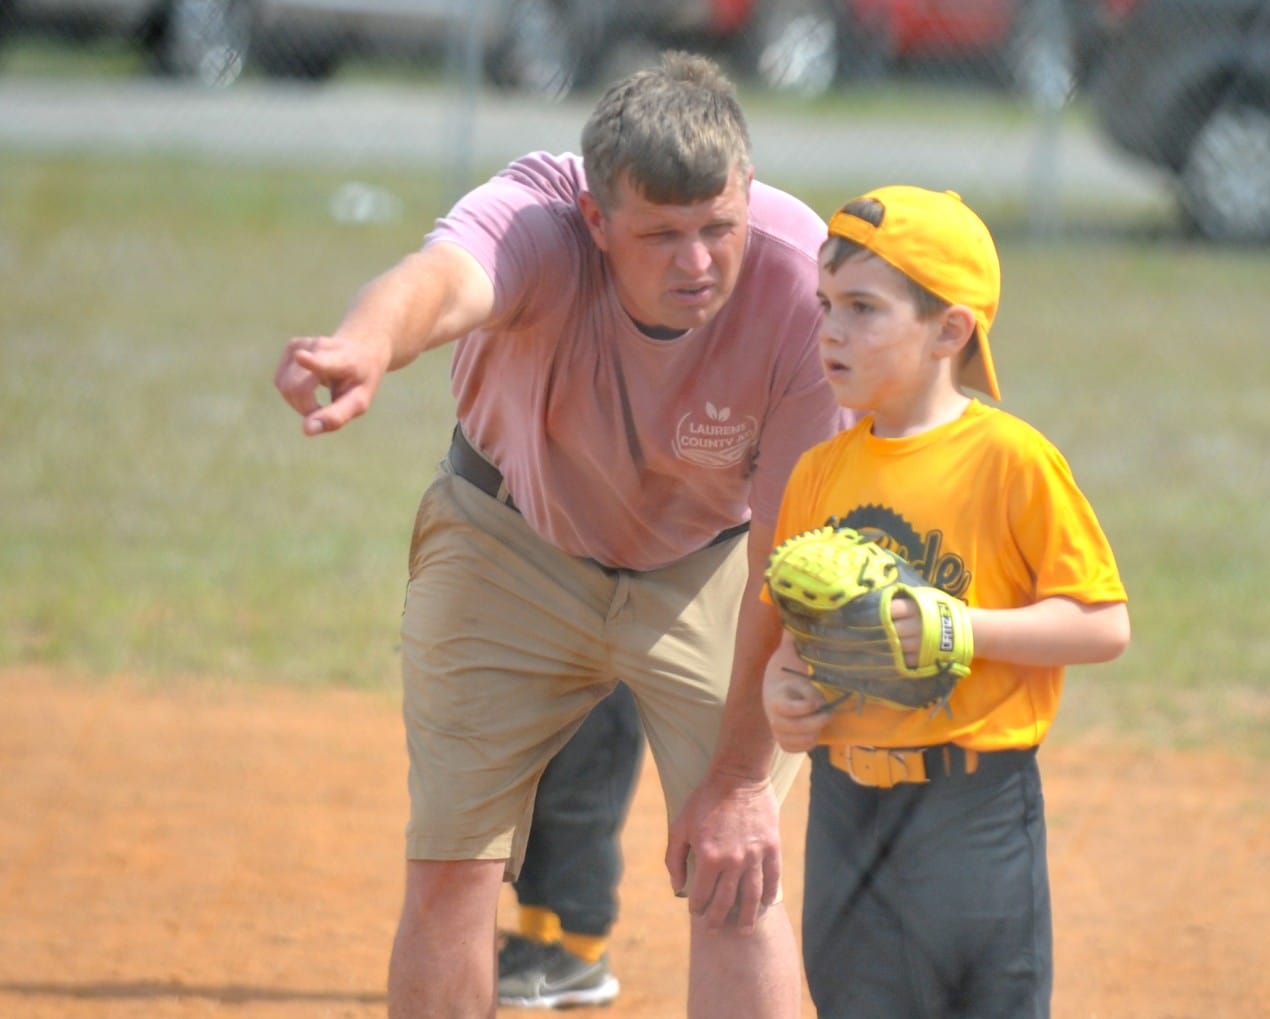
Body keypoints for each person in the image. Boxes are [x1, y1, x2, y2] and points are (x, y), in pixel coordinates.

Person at [272, 51, 847, 1018]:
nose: (699, 262)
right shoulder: (539, 220)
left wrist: (743, 782)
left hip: (711, 566)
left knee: (736, 872)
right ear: (597, 218)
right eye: (663, 235)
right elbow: (438, 283)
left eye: (719, 227)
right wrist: (367, 342)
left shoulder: (803, 285)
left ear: (748, 195)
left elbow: (787, 561)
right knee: (454, 863)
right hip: (510, 541)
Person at [760, 185, 1132, 1018]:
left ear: (950, 330)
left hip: (972, 813)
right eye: (825, 304)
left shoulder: (1010, 459)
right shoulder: (819, 471)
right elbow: (797, 634)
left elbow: (1103, 623)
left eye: (863, 307)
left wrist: (959, 624)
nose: (831, 330)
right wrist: (781, 689)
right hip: (846, 809)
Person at [496, 684, 644, 1009]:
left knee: (578, 805)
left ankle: (584, 956)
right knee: (533, 792)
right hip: (551, 650)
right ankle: (539, 939)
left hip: (603, 664)